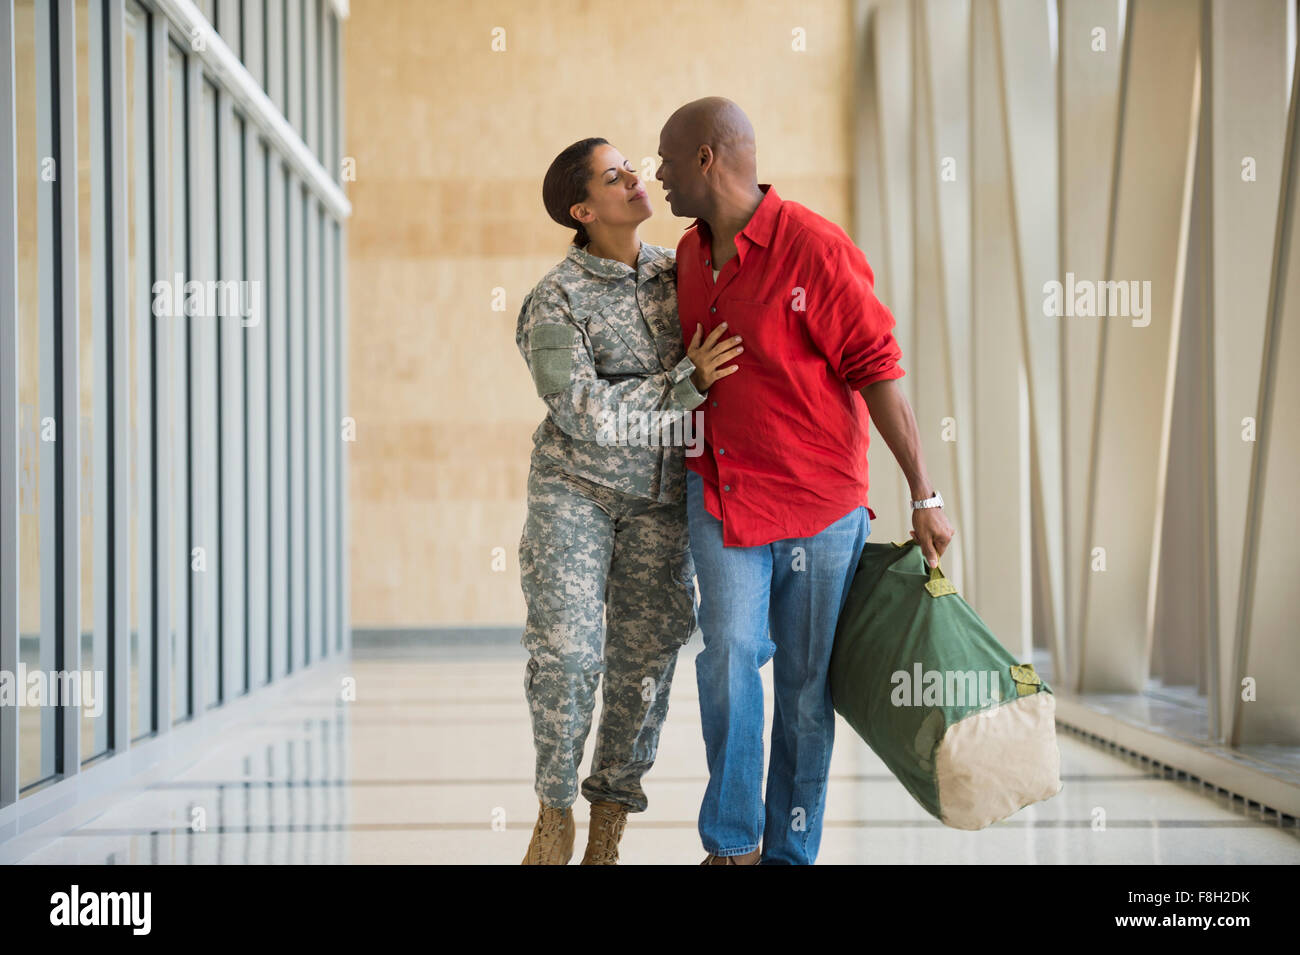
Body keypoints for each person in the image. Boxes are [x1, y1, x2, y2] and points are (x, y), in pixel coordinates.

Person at [655, 97, 957, 865]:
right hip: (721, 494)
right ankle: (731, 844)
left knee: (803, 687)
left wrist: (924, 492)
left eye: (665, 159)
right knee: (726, 653)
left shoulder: (815, 248)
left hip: (820, 507)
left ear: (706, 159)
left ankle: (790, 853)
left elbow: (880, 370)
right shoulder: (687, 257)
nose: (656, 175)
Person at [515, 137, 743, 864]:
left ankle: (608, 824)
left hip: (660, 498)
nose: (635, 178)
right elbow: (580, 409)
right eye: (615, 176)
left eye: (632, 167)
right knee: (571, 654)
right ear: (583, 209)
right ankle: (555, 810)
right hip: (575, 490)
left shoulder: (679, 277)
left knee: (645, 664)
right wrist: (682, 384)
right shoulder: (554, 298)